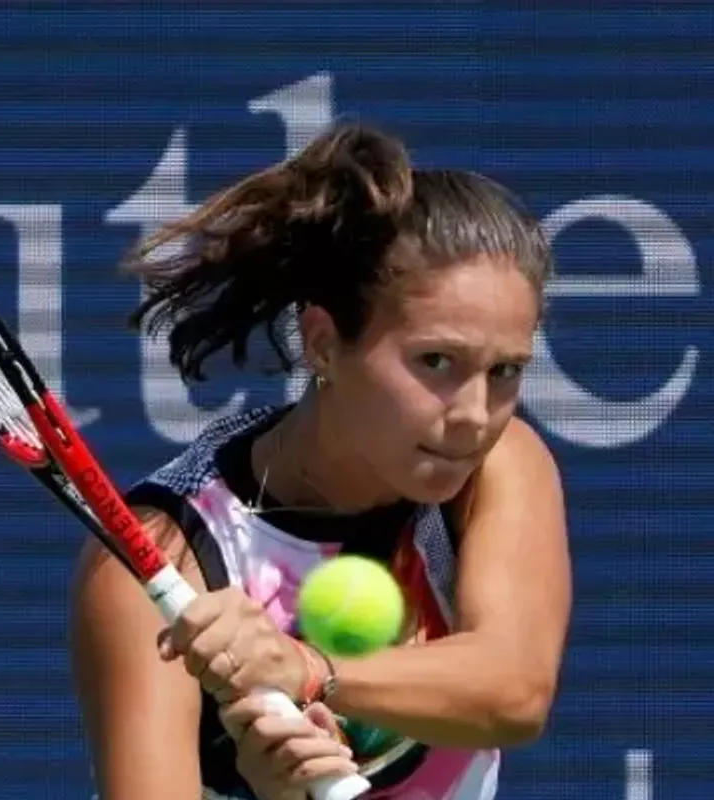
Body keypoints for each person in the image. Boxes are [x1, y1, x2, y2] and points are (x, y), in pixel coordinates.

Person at [69, 122, 571, 800]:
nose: (475, 414)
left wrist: (307, 668)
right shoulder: (166, 555)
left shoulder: (495, 465)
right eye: (435, 362)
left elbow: (515, 690)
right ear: (324, 344)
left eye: (505, 371)